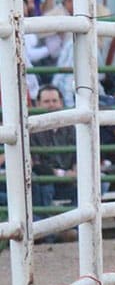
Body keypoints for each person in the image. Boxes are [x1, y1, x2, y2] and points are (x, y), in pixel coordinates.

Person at [30, 85, 77, 214]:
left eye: (54, 101)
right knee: (42, 186)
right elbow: (35, 164)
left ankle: (73, 225)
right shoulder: (31, 130)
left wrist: (77, 169)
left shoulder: (71, 128)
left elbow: (79, 155)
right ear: (38, 104)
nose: (51, 105)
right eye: (46, 102)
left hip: (70, 179)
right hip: (46, 181)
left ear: (61, 103)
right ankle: (50, 230)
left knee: (98, 183)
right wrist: (61, 174)